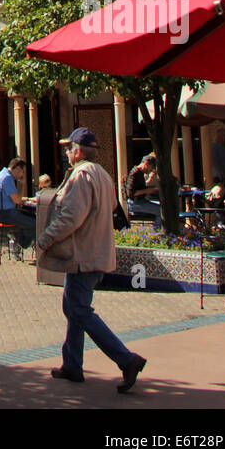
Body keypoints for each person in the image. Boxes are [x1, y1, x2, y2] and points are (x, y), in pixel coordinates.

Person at [40, 127, 146, 393]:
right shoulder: (103, 174)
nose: (66, 154)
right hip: (95, 253)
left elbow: (71, 217)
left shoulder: (81, 176)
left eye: (68, 149)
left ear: (77, 151)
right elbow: (109, 209)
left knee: (78, 310)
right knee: (73, 307)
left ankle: (126, 359)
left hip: (83, 256)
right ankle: (72, 364)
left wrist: (46, 238)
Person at [0, 158, 36, 257]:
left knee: (28, 219)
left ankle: (17, 238)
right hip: (4, 213)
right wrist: (22, 184)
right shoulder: (7, 178)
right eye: (22, 171)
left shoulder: (1, 175)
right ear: (17, 168)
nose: (22, 174)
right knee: (35, 223)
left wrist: (24, 198)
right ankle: (20, 242)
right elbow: (17, 200)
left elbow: (16, 198)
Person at [126, 154, 160, 226]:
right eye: (152, 167)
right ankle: (157, 232)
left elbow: (139, 187)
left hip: (141, 201)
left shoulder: (140, 173)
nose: (151, 170)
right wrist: (148, 190)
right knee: (161, 211)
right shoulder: (134, 173)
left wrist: (149, 181)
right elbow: (131, 193)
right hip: (134, 204)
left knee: (162, 206)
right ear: (146, 163)